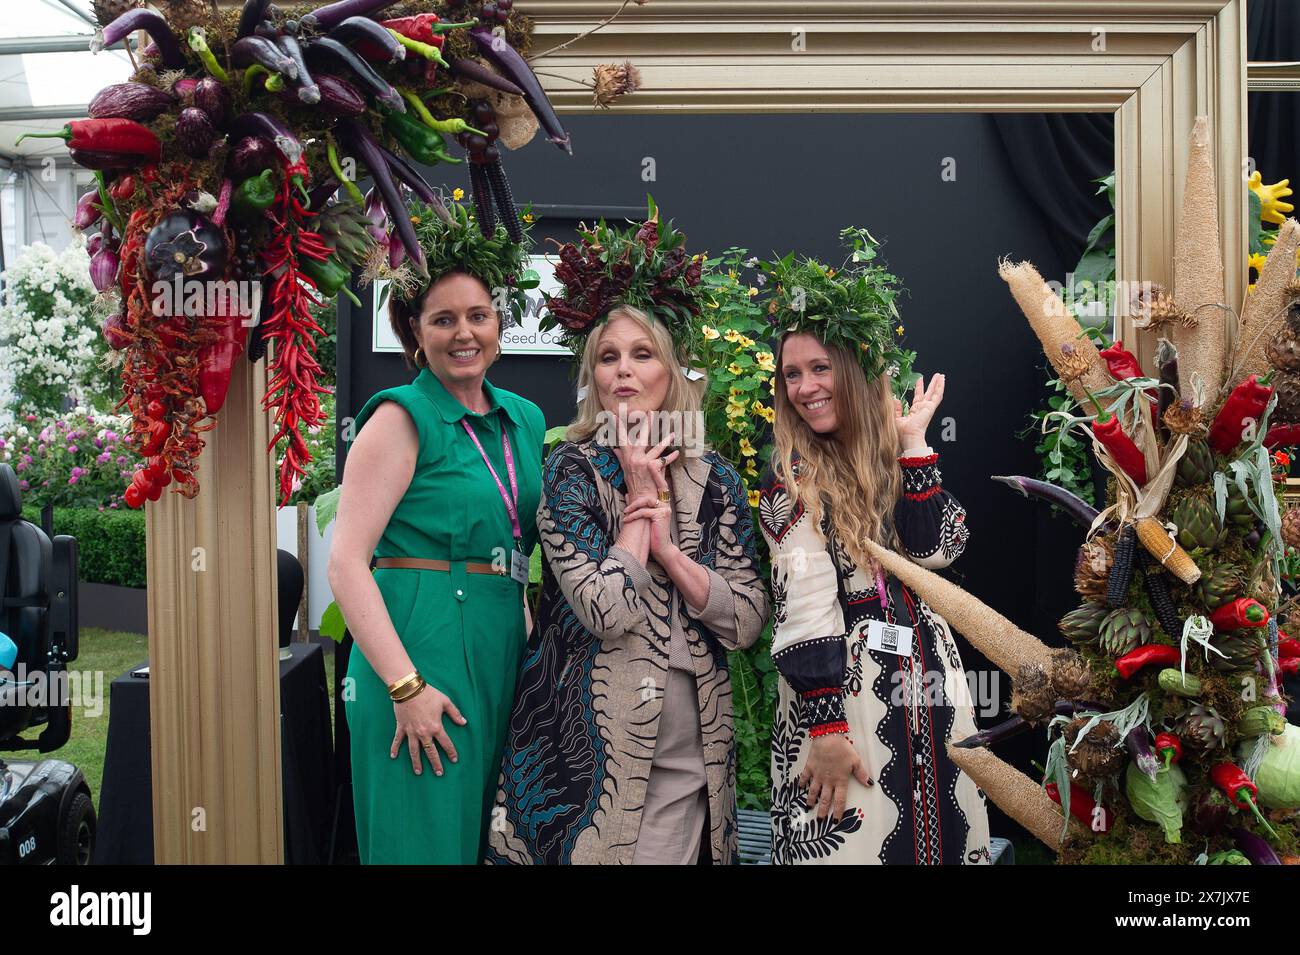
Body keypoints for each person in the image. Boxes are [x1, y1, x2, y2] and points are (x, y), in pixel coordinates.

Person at [486, 209, 769, 864]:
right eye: (608, 357)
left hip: (691, 765)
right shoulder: (571, 471)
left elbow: (747, 620)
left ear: (671, 371)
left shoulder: (713, 476)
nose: (624, 371)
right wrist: (642, 504)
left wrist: (669, 548)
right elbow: (605, 609)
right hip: (587, 770)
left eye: (642, 355)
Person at [755, 232, 991, 864]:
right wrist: (827, 729)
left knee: (939, 839)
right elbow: (803, 598)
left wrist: (914, 445)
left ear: (856, 371)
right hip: (844, 687)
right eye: (793, 374)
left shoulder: (896, 455)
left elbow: (938, 552)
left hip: (929, 678)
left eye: (820, 368)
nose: (805, 387)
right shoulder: (791, 471)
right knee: (851, 844)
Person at [328, 198, 546, 864]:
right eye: (443, 319)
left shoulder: (525, 419)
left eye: (477, 316)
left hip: (501, 649)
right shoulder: (398, 418)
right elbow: (345, 562)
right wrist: (404, 686)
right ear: (415, 333)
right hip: (418, 656)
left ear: (498, 324)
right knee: (419, 846)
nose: (464, 332)